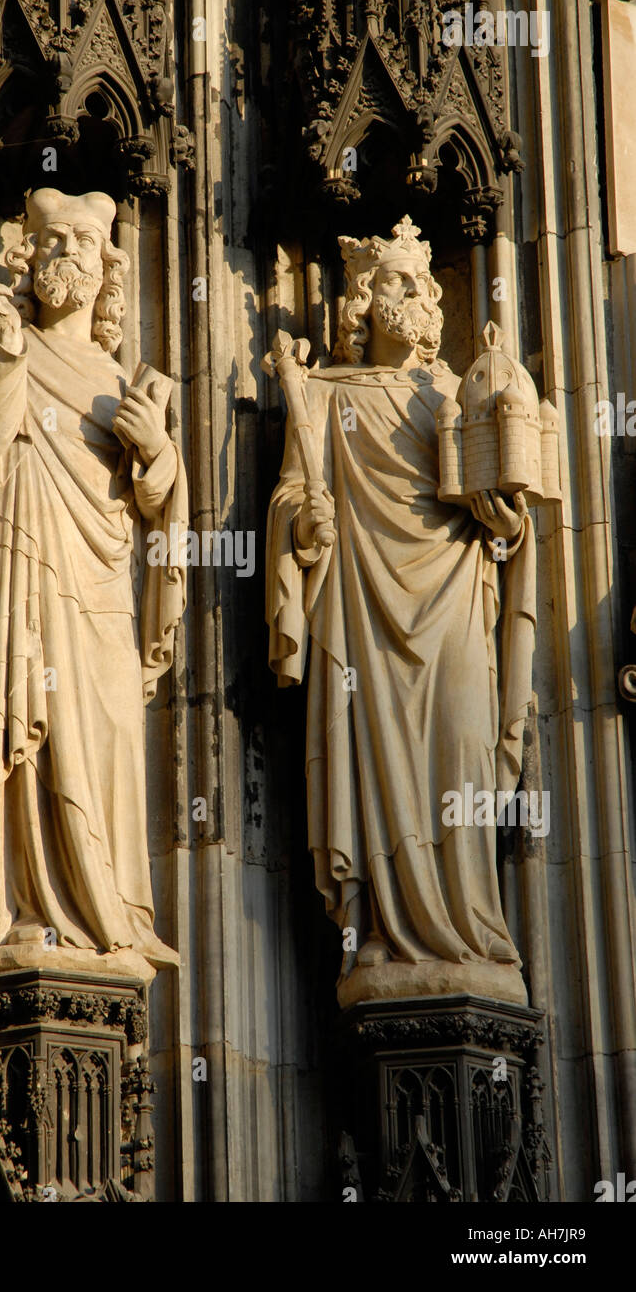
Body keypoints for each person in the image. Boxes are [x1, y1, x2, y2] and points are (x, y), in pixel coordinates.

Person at [266, 216, 535, 1006]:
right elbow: (293, 495)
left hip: (453, 607)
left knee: (460, 751)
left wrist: (503, 511)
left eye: (421, 280)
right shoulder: (320, 395)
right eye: (394, 280)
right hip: (363, 612)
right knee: (376, 769)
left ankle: (470, 924)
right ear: (360, 299)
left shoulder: (459, 392)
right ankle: (380, 929)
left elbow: (510, 523)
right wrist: (302, 529)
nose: (413, 292)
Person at [0, 188, 187, 980]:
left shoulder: (124, 381)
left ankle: (115, 908)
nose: (65, 257)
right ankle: (31, 913)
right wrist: (9, 352)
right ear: (29, 258)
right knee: (27, 730)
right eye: (50, 244)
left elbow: (153, 508)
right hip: (24, 579)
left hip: (102, 590)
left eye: (82, 244)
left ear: (105, 269)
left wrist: (158, 453)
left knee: (114, 736)